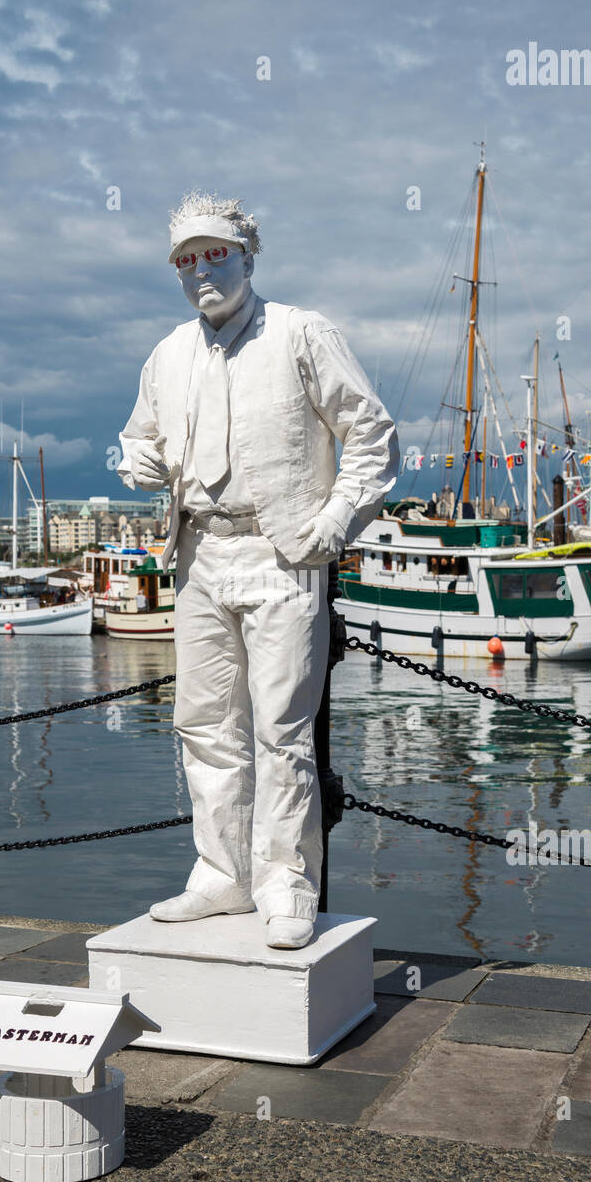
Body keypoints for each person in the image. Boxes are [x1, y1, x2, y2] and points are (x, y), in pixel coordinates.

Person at [117, 192, 399, 948]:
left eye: (215, 253)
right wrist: (138, 460)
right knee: (204, 724)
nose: (200, 270)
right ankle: (221, 875)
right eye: (186, 259)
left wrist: (331, 526)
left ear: (248, 254)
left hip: (284, 554)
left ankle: (284, 883)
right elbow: (138, 438)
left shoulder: (304, 334)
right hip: (197, 554)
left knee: (281, 730)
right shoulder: (166, 355)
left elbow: (370, 437)